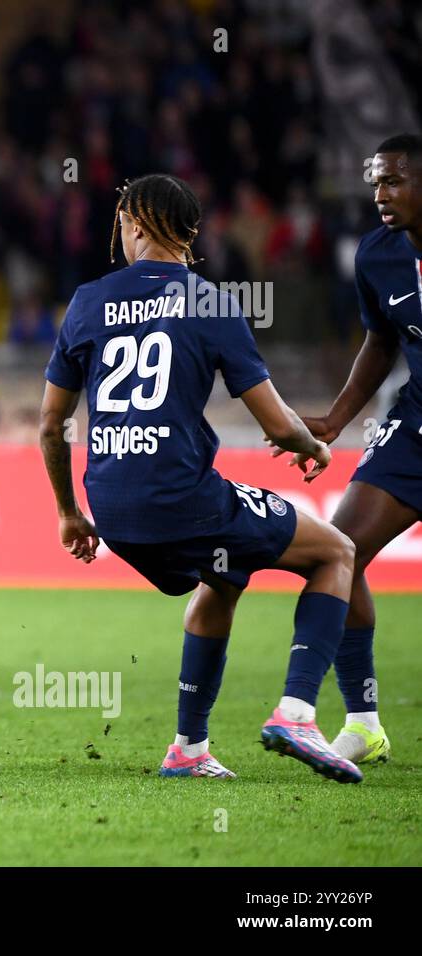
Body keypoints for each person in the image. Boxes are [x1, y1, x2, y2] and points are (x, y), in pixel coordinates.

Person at [39, 174, 362, 784]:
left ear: (136, 222)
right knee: (336, 552)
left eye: (122, 224)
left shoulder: (87, 301)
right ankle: (297, 712)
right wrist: (311, 445)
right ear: (189, 234)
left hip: (111, 506)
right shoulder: (210, 301)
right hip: (181, 496)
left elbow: (51, 426)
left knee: (223, 574)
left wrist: (67, 512)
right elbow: (275, 421)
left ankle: (189, 746)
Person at [296, 133, 422, 766]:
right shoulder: (376, 255)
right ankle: (365, 720)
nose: (380, 194)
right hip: (416, 425)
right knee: (337, 553)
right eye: (375, 182)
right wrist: (334, 420)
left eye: (394, 181)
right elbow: (380, 344)